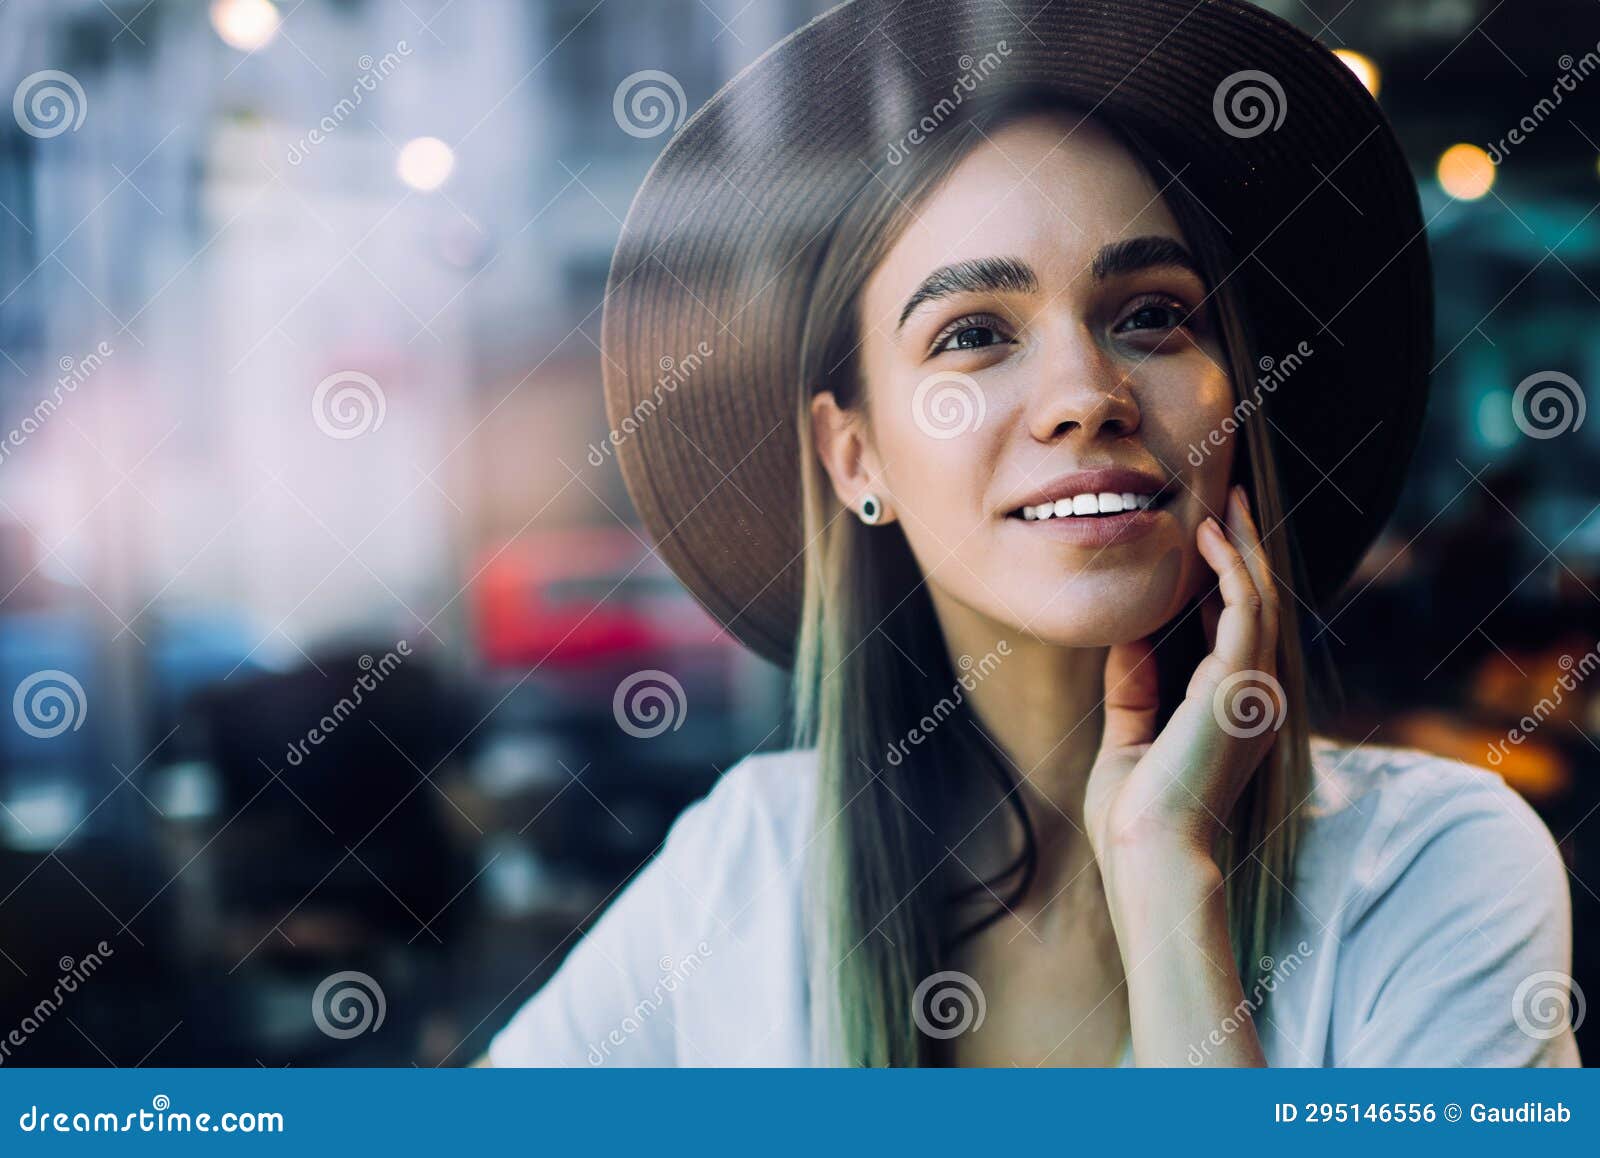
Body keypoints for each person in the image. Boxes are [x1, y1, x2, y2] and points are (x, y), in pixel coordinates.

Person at [483, 0, 1581, 1066]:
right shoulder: (750, 873)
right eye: (972, 334)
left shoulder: (1428, 872)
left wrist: (1164, 881)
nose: (1085, 393)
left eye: (1151, 314)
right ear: (853, 457)